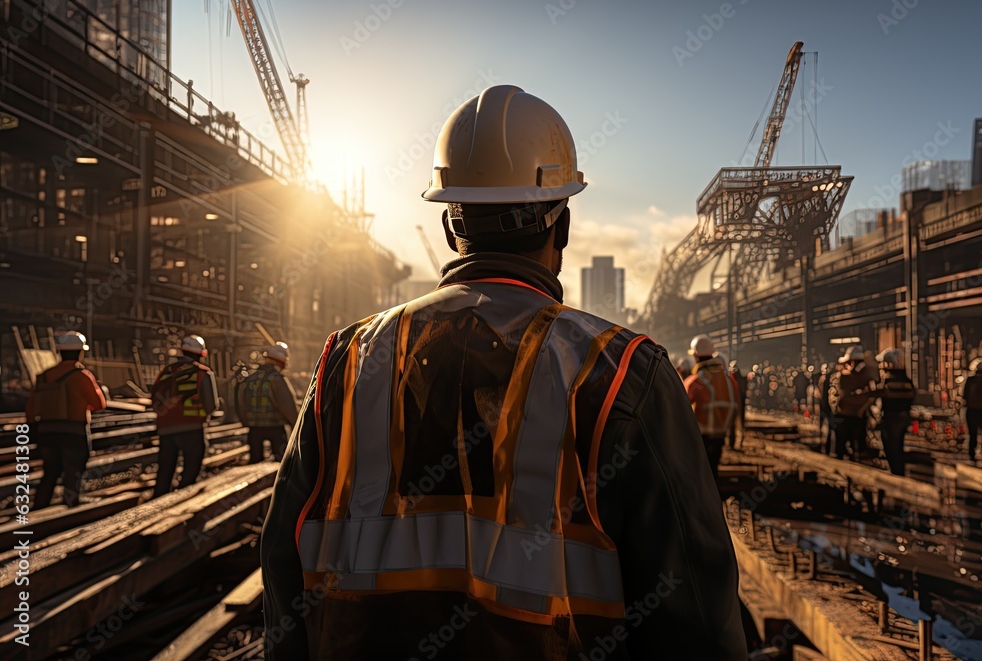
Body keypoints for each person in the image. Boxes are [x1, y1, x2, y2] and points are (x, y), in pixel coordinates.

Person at [260, 85, 745, 660]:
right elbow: (693, 613)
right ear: (560, 227)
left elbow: (284, 565)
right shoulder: (621, 372)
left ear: (448, 227)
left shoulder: (347, 360)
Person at [26, 331, 106, 508]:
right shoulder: (82, 376)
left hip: (46, 432)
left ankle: (39, 507)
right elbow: (99, 404)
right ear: (80, 352)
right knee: (73, 471)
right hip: (73, 431)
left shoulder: (43, 376)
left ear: (59, 352)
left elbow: (31, 409)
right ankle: (71, 506)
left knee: (50, 471)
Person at [150, 335, 219, 497]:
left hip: (166, 430)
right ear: (202, 354)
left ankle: (158, 501)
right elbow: (211, 405)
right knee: (191, 470)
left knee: (165, 471)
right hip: (192, 429)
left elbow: (154, 399)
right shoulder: (203, 373)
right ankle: (183, 499)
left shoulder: (166, 371)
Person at [683, 335, 739, 479]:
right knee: (712, 469)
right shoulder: (729, 380)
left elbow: (680, 408)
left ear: (695, 356)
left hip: (699, 437)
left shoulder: (694, 382)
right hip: (720, 434)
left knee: (698, 473)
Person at [237, 342, 299, 463]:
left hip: (254, 428)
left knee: (255, 462)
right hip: (275, 428)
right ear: (282, 361)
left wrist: (245, 420)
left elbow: (241, 402)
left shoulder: (251, 378)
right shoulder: (277, 379)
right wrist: (295, 424)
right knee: (281, 463)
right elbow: (288, 405)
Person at [828, 345, 876, 461]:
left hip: (852, 416)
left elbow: (870, 395)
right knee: (845, 447)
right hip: (849, 416)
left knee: (852, 447)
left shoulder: (859, 377)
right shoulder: (845, 377)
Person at [874, 349, 916, 476]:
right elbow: (912, 397)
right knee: (899, 444)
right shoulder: (907, 381)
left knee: (891, 445)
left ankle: (896, 471)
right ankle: (899, 470)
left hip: (891, 417)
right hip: (903, 417)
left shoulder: (888, 381)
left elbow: (883, 398)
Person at [728, 360, 748, 449]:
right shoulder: (742, 379)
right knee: (739, 425)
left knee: (733, 425)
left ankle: (734, 443)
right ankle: (738, 442)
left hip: (734, 403)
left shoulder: (730, 379)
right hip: (739, 403)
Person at [817, 363, 834, 455]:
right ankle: (824, 446)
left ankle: (823, 446)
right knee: (828, 427)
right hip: (826, 405)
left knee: (825, 426)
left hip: (824, 405)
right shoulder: (825, 379)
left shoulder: (822, 379)